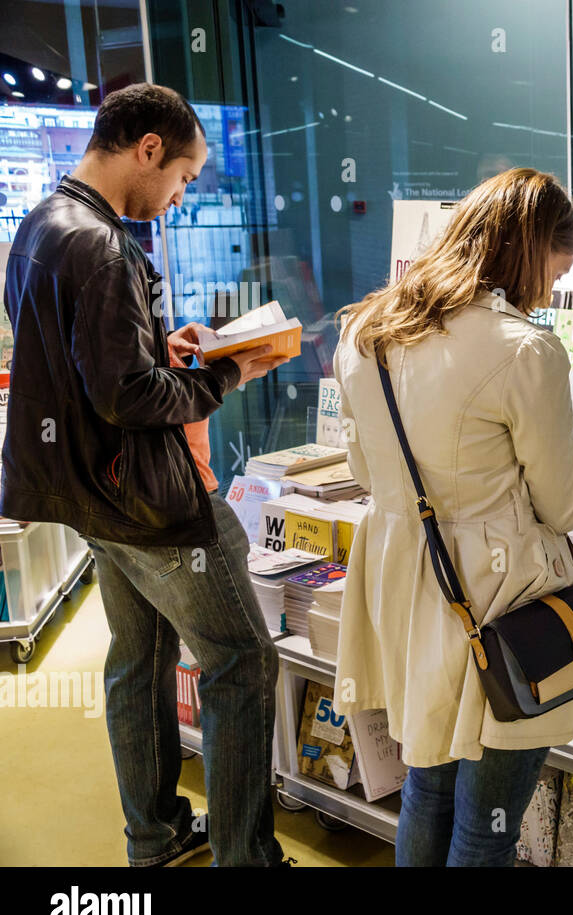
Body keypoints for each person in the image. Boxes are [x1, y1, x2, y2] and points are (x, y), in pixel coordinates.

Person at [0, 83, 288, 866]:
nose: (179, 194)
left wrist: (163, 347)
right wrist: (233, 373)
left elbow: (82, 366)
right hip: (150, 503)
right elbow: (126, 395)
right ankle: (244, 855)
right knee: (242, 663)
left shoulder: (41, 225)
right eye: (184, 176)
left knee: (139, 658)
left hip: (92, 497)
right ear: (149, 149)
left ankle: (154, 838)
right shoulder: (100, 245)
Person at [334, 167, 573, 867]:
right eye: (556, 268)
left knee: (427, 789)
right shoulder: (523, 347)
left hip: (407, 587)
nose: (550, 289)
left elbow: (365, 473)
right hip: (495, 596)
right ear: (529, 249)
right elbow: (565, 501)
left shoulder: (367, 330)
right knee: (487, 824)